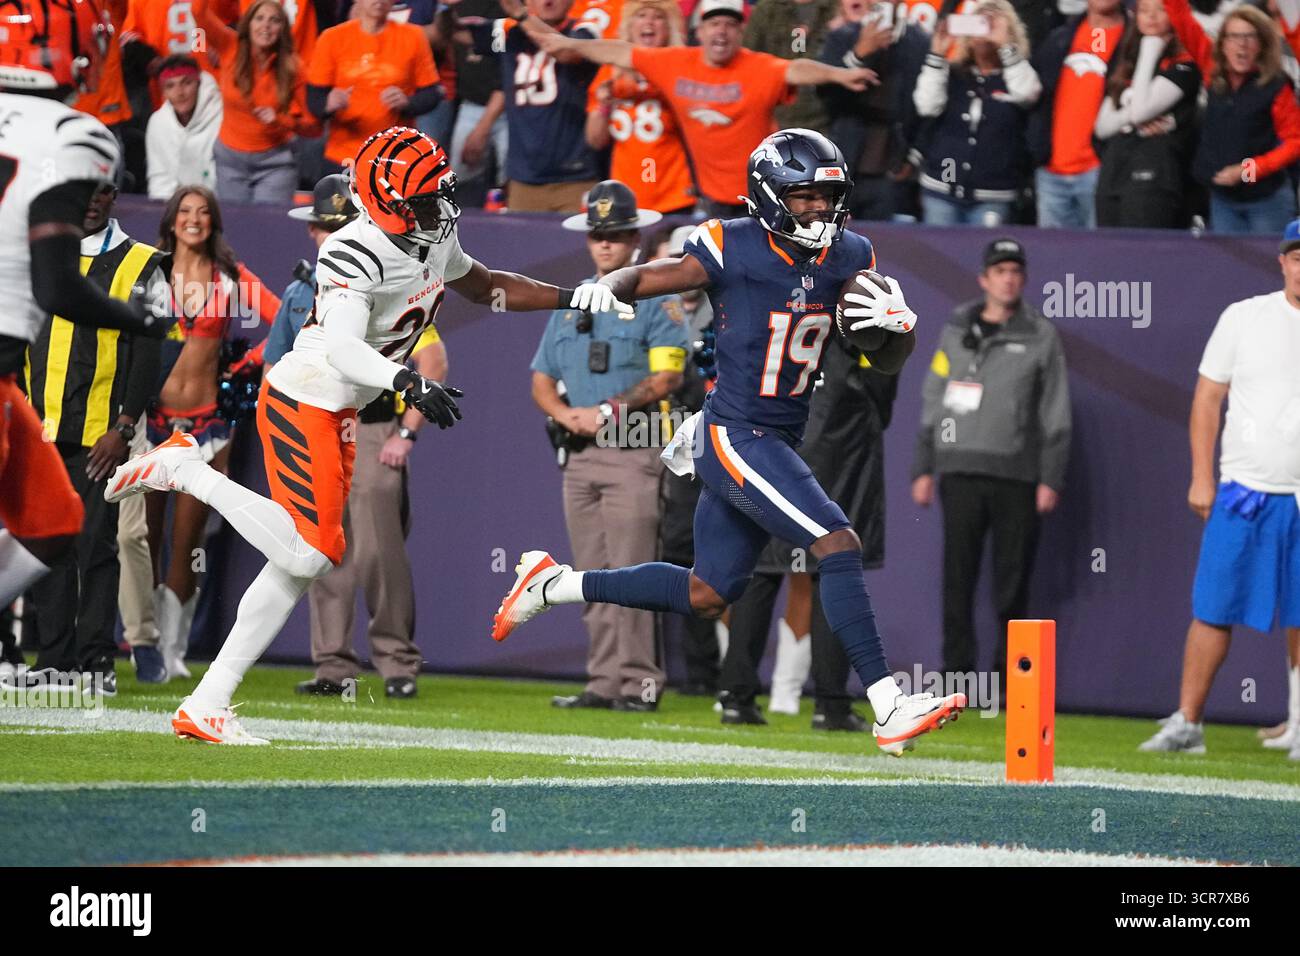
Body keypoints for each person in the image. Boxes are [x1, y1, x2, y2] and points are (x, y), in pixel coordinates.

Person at [106, 126, 628, 744]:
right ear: (386, 201)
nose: (442, 208)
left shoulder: (430, 235)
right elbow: (346, 350)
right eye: (426, 198)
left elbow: (486, 287)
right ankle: (187, 466)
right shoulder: (354, 250)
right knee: (313, 553)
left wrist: (573, 296)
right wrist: (410, 381)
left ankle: (208, 702)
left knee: (296, 565)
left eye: (441, 193)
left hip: (340, 410)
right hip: (305, 399)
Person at [493, 129, 968, 757]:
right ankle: (887, 704)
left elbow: (882, 359)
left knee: (707, 591)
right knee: (836, 542)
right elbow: (664, 275)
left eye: (828, 196)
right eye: (804, 197)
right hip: (735, 432)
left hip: (774, 435)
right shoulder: (732, 244)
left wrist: (897, 330)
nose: (820, 209)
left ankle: (554, 584)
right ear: (770, 196)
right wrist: (606, 286)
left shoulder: (853, 255)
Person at [0, 0, 171, 625]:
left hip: (9, 380)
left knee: (55, 521)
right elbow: (58, 288)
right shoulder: (77, 134)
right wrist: (142, 320)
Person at [264, 175, 439, 700]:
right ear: (314, 232)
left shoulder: (395, 277)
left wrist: (408, 431)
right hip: (315, 420)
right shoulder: (301, 289)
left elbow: (431, 359)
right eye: (322, 226)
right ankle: (332, 665)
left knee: (381, 553)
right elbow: (276, 363)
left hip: (372, 423)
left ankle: (396, 661)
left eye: (338, 225)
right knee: (322, 546)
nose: (329, 236)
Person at [1140, 220, 1300, 759]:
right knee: (1213, 606)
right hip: (1245, 492)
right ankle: (1188, 722)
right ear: (1282, 261)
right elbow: (1208, 399)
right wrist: (1202, 475)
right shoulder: (1245, 317)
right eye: (1297, 256)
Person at [531, 180, 688, 711]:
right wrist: (565, 414)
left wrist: (607, 411)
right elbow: (540, 379)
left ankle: (640, 684)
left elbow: (668, 376)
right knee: (587, 575)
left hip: (632, 447)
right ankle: (601, 683)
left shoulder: (656, 296)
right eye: (598, 234)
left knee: (633, 573)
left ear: (634, 236)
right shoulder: (571, 299)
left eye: (615, 234)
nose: (605, 244)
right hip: (577, 455)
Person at [526, 0, 878, 218]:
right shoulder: (675, 62)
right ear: (700, 30)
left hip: (763, 195)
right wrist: (569, 43)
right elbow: (619, 51)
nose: (720, 32)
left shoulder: (758, 66)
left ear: (740, 32)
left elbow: (797, 68)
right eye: (713, 23)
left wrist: (839, 74)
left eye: (729, 24)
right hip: (709, 201)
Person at [22, 183, 167, 692]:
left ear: (114, 197)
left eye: (101, 191)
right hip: (38, 427)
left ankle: (96, 663)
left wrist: (125, 426)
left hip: (101, 431)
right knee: (45, 544)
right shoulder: (36, 255)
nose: (91, 201)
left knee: (96, 545)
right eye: (82, 191)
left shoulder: (146, 263)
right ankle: (54, 660)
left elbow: (150, 352)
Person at [910, 237, 1071, 678]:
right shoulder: (955, 330)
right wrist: (924, 466)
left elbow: (1055, 410)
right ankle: (957, 674)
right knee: (957, 578)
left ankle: (1008, 680)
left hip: (1016, 474)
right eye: (1000, 271)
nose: (1009, 279)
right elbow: (933, 395)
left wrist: (1049, 477)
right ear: (984, 279)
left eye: (1016, 271)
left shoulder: (1040, 334)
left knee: (1012, 583)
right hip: (958, 467)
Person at [144, 186, 281, 679]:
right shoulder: (149, 271)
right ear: (172, 219)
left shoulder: (229, 276)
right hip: (152, 422)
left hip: (207, 426)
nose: (194, 220)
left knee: (186, 541)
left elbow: (285, 316)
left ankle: (174, 651)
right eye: (185, 211)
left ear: (213, 221)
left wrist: (246, 364)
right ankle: (145, 642)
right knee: (144, 535)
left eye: (203, 212)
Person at [1165, 0, 1300, 235]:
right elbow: (1180, 16)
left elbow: (1295, 142)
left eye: (1250, 37)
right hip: (1223, 200)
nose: (1243, 45)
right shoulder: (1212, 69)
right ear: (1223, 43)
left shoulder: (1276, 85)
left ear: (1262, 45)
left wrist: (1249, 170)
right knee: (1230, 272)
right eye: (1235, 36)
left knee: (1271, 271)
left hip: (1266, 202)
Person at [455, 0, 603, 213]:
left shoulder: (586, 29)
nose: (548, 1)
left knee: (579, 246)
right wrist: (444, 8)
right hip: (524, 179)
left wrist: (522, 16)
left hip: (575, 178)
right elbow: (456, 34)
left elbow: (567, 52)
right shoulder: (509, 31)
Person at [915, 3, 1041, 227]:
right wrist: (937, 53)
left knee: (982, 258)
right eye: (979, 23)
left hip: (993, 194)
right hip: (943, 187)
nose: (984, 31)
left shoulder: (1017, 74)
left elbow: (1028, 94)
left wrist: (1005, 45)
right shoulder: (953, 74)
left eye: (992, 25)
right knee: (939, 257)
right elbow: (926, 105)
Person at [192, 0, 323, 204]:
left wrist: (281, 120)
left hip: (275, 163)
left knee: (268, 230)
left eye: (274, 20)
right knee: (234, 228)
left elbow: (314, 128)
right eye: (259, 18)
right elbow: (198, 12)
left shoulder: (294, 68)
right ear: (248, 23)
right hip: (230, 161)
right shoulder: (230, 46)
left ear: (283, 28)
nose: (266, 26)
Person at [1093, 0, 1200, 229]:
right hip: (1115, 168)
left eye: (1160, 9)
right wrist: (1132, 118)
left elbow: (1141, 111)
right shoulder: (1128, 61)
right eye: (1144, 10)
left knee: (1141, 253)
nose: (1151, 16)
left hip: (1154, 175)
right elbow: (1102, 127)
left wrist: (1151, 48)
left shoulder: (1184, 65)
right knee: (1108, 251)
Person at [817, 2, 929, 222]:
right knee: (833, 241)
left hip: (892, 170)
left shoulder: (920, 41)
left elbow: (928, 107)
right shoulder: (842, 36)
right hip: (843, 164)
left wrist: (915, 155)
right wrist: (858, 54)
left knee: (889, 249)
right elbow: (825, 96)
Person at [305, 0, 443, 176]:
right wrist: (327, 105)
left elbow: (431, 93)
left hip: (395, 158)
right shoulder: (332, 38)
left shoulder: (413, 37)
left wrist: (408, 103)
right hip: (343, 156)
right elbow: (314, 98)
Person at [584, 0, 695, 215]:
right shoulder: (610, 71)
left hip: (675, 193)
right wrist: (604, 107)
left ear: (669, 27)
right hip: (625, 193)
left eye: (658, 16)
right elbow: (595, 140)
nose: (649, 22)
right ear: (629, 25)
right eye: (642, 15)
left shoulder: (683, 69)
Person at [1030, 0, 1129, 229]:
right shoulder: (1058, 38)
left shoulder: (1134, 42)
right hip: (1051, 172)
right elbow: (1034, 97)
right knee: (1054, 261)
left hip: (1102, 172)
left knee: (1099, 260)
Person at [743, 0, 840, 134]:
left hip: (830, 120)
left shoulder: (839, 8)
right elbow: (746, 63)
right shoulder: (766, 9)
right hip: (773, 120)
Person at [145, 55, 223, 199]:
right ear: (164, 91)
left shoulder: (222, 116)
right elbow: (159, 179)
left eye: (186, 83)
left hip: (219, 204)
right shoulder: (158, 122)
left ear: (199, 84)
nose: (179, 93)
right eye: (170, 86)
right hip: (177, 209)